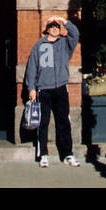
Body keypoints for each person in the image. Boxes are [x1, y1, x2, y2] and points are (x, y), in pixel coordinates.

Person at [24, 16, 80, 167]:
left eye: (57, 27)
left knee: (64, 122)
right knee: (43, 123)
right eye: (52, 26)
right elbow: (32, 67)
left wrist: (64, 20)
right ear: (47, 29)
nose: (55, 29)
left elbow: (75, 34)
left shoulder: (65, 43)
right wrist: (32, 88)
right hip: (44, 89)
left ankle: (67, 153)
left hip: (61, 88)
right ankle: (43, 154)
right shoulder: (39, 45)